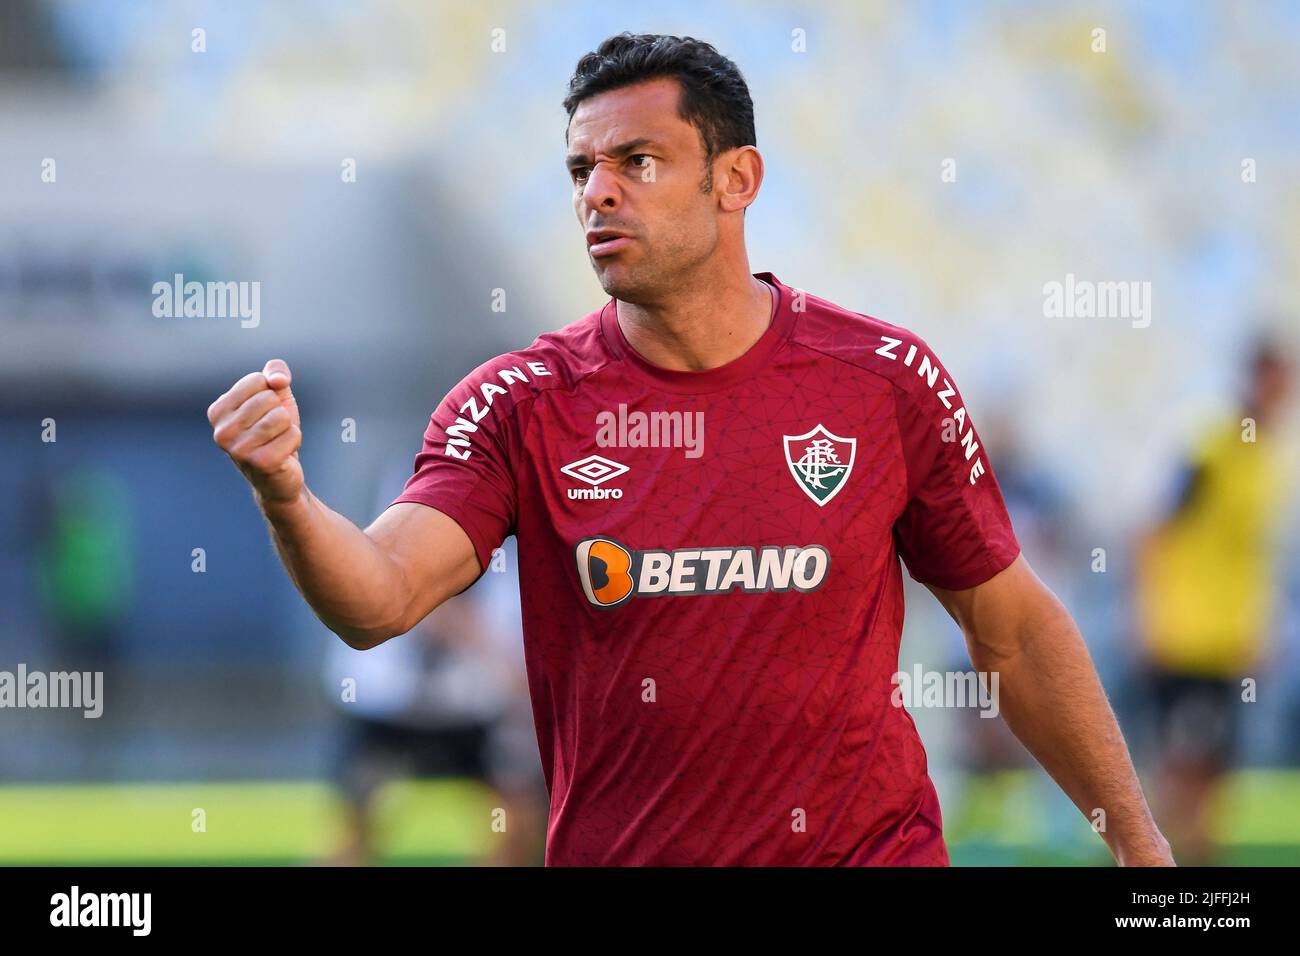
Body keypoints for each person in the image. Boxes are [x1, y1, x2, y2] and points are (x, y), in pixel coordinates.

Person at [206, 33, 1171, 866]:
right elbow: (377, 599)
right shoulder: (518, 405)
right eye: (582, 170)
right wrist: (286, 494)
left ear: (735, 178)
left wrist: (1137, 842)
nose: (600, 194)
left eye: (638, 160)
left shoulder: (883, 378)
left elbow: (1013, 630)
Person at [1135, 337, 1296, 865]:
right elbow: (1156, 529)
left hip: (1228, 642)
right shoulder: (1211, 445)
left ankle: (1194, 867)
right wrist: (1148, 617)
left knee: (1217, 769)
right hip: (1187, 637)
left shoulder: (1260, 454)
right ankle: (1158, 862)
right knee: (1185, 764)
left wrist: (1258, 626)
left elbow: (1247, 555)